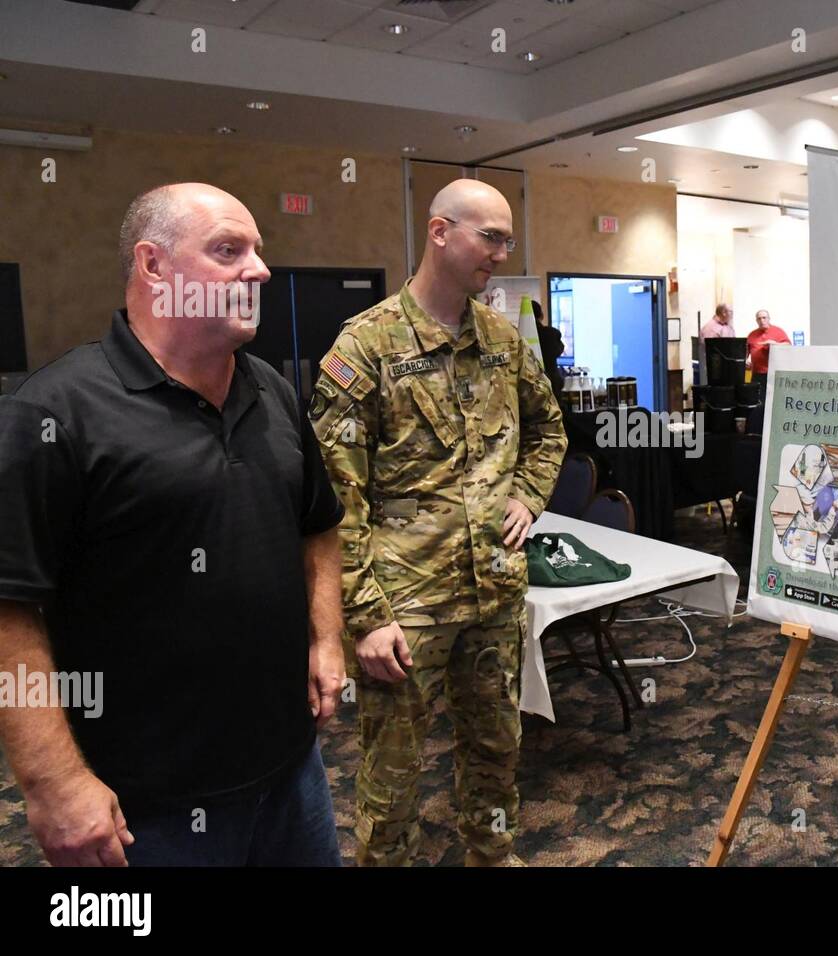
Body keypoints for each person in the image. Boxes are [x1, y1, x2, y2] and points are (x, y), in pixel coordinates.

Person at [0, 183, 346, 866]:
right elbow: (9, 609)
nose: (260, 269)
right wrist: (54, 783)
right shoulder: (54, 413)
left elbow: (320, 525)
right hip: (142, 808)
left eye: (258, 251)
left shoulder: (271, 392)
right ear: (153, 266)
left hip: (291, 777)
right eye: (228, 250)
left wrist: (327, 638)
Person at [310, 179, 565, 867]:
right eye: (491, 237)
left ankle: (492, 854)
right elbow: (337, 500)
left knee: (496, 750)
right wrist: (364, 615)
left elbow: (549, 434)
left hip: (493, 594)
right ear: (440, 231)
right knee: (392, 776)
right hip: (404, 607)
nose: (503, 252)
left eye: (509, 238)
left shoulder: (504, 342)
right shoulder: (366, 346)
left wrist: (529, 498)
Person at [745, 309, 792, 379]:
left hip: (774, 373)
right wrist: (744, 362)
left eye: (764, 318)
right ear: (756, 321)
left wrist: (775, 345)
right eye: (759, 319)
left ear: (769, 319)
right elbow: (745, 352)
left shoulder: (778, 331)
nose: (762, 320)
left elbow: (789, 346)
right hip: (756, 373)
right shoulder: (752, 334)